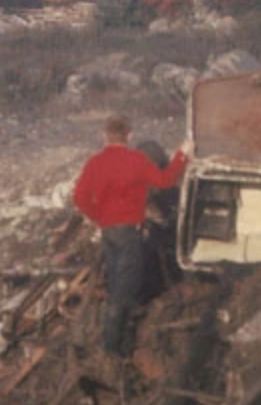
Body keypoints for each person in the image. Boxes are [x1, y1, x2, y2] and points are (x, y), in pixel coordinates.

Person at [72, 114, 191, 370]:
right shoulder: (136, 160)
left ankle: (117, 343)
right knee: (125, 291)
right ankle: (111, 350)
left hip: (108, 233)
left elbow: (79, 197)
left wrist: (100, 218)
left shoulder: (95, 163)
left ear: (105, 136)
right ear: (129, 136)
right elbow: (165, 180)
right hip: (129, 233)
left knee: (116, 284)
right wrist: (183, 154)